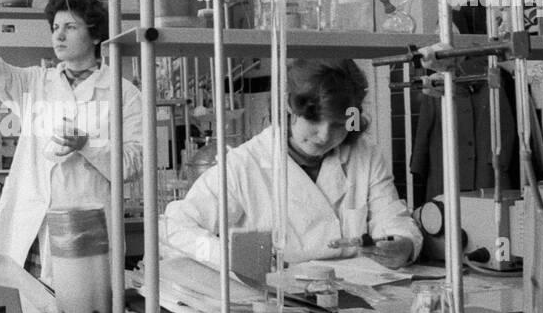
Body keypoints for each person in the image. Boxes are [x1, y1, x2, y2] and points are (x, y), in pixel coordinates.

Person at [0, 0, 143, 278]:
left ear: (96, 35)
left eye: (70, 27)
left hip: (85, 231)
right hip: (31, 230)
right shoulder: (34, 82)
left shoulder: (125, 94)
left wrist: (88, 145)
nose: (58, 35)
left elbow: (135, 164)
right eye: (55, 27)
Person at [164, 58, 421, 274]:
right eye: (314, 122)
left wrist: (403, 244)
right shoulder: (244, 164)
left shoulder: (363, 153)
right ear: (289, 107)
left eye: (337, 125)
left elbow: (390, 215)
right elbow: (173, 227)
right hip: (278, 299)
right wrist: (234, 258)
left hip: (357, 293)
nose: (323, 136)